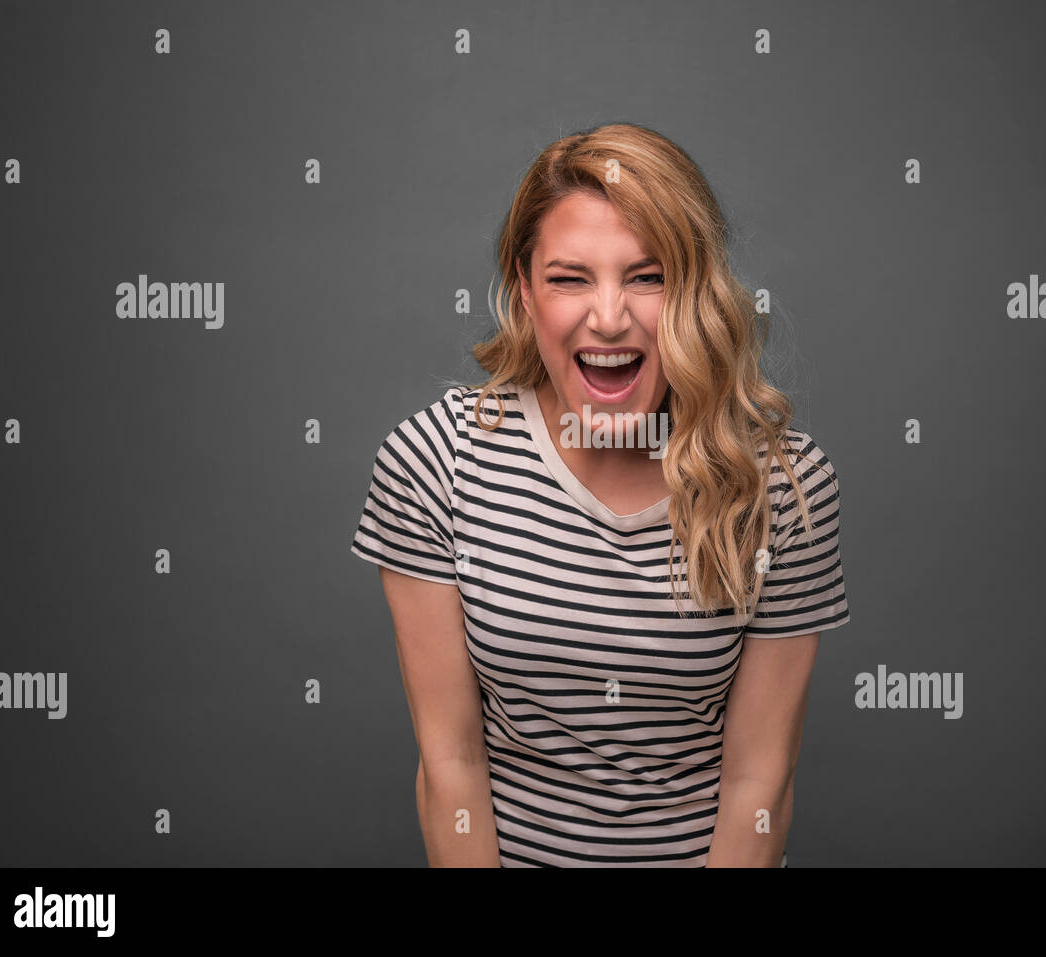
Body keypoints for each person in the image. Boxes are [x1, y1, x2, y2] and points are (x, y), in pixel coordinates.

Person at [350, 123, 850, 867]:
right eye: (569, 277)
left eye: (647, 277)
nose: (609, 316)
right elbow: (451, 762)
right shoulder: (435, 460)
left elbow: (759, 783)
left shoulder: (780, 485)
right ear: (524, 293)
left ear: (694, 293)